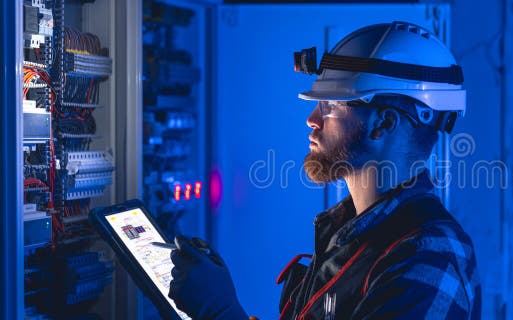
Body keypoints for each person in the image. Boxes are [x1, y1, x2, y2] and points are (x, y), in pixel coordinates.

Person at [169, 21, 481, 320]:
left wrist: (221, 314)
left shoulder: (428, 257)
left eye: (331, 105)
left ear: (384, 123)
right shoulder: (349, 233)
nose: (312, 119)